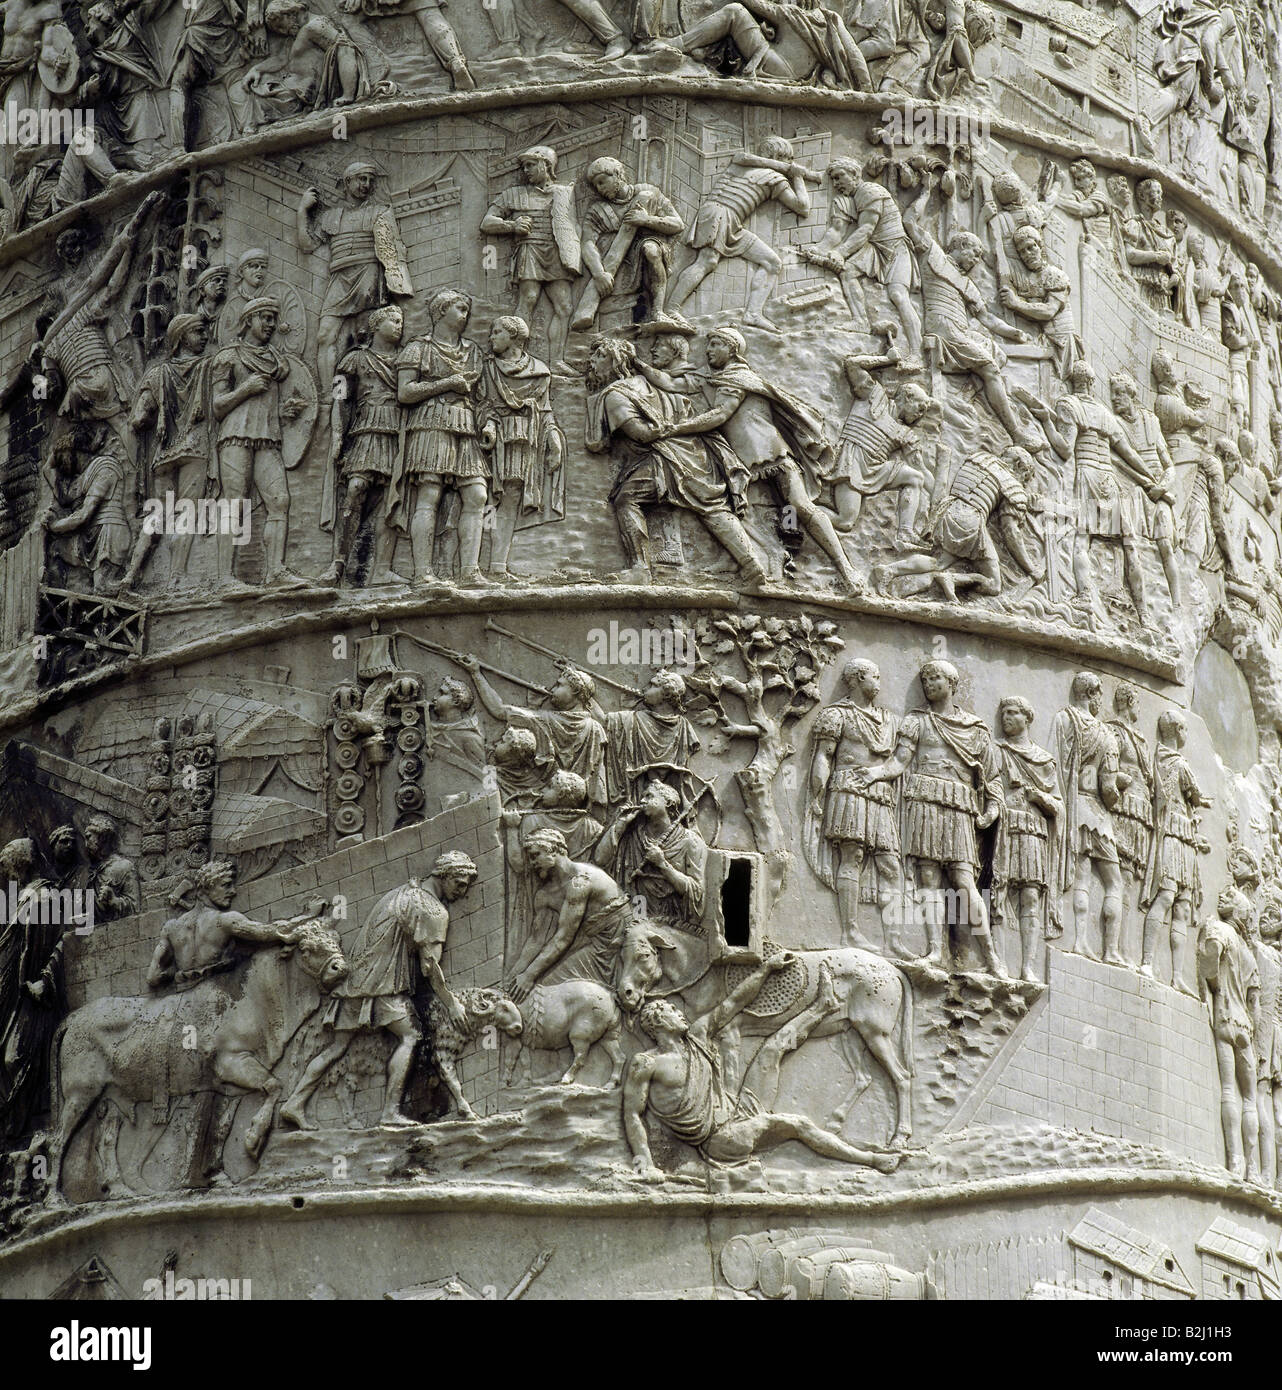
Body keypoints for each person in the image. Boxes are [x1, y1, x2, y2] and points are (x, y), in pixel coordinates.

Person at [622, 957, 898, 1178]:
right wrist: (644, 1161)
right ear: (657, 1023)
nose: (680, 1013)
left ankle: (823, 1007)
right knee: (795, 1124)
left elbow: (733, 1003)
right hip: (720, 1139)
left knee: (773, 1048)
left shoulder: (696, 1037)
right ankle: (871, 1159)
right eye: (673, 1011)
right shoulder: (646, 1063)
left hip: (735, 1110)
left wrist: (766, 970)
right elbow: (633, 1113)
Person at [280, 852, 478, 1129]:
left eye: (466, 885)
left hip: (356, 980)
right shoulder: (432, 910)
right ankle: (389, 1112)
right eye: (459, 883)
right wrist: (451, 1003)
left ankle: (294, 1103)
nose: (462, 891)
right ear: (443, 876)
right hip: (382, 984)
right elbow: (430, 967)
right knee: (411, 1036)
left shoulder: (407, 890)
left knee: (337, 1047)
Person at [659, 327, 865, 592]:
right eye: (708, 345)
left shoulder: (739, 378)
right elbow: (671, 383)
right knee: (748, 512)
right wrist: (639, 366)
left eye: (715, 345)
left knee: (798, 507)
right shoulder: (716, 379)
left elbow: (720, 415)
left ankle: (846, 570)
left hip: (771, 455)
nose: (708, 350)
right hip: (744, 463)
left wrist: (677, 428)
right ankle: (777, 564)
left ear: (731, 349)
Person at [852, 659, 1006, 976]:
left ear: (952, 684)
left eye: (937, 678)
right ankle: (936, 951)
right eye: (925, 679)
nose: (930, 684)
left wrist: (991, 811)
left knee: (964, 880)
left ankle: (992, 957)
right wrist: (874, 774)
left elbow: (992, 778)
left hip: (959, 804)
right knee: (928, 879)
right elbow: (899, 763)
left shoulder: (976, 730)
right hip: (924, 800)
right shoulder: (917, 721)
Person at [583, 334, 767, 586]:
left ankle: (639, 569)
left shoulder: (618, 393)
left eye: (600, 356)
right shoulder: (656, 383)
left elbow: (641, 434)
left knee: (626, 498)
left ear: (616, 363)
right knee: (714, 509)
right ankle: (751, 565)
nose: (592, 362)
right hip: (698, 456)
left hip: (666, 460)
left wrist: (656, 431)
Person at [805, 659, 904, 954]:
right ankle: (850, 931)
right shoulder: (836, 715)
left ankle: (894, 940)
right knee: (852, 856)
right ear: (859, 678)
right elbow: (824, 756)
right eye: (875, 676)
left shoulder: (889, 719)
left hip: (880, 793)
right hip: (848, 787)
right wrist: (816, 795)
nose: (879, 683)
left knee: (891, 866)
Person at [391, 289, 487, 586]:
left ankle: (469, 571)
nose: (465, 315)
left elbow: (482, 396)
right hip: (430, 422)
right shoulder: (418, 348)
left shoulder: (472, 351)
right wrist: (446, 384)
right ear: (441, 310)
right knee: (429, 494)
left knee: (477, 494)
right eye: (459, 308)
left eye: (466, 310)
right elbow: (405, 392)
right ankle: (423, 573)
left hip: (465, 423)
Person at [668, 139, 815, 331]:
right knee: (707, 261)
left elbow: (802, 210)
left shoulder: (764, 175)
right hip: (719, 213)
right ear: (780, 158)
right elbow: (803, 207)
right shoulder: (748, 165)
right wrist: (797, 176)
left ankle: (753, 314)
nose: (789, 163)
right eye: (788, 159)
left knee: (772, 262)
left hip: (732, 223)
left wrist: (796, 175)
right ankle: (671, 310)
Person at [321, 303, 405, 587]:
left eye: (401, 320)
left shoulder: (407, 358)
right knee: (355, 489)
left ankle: (382, 568)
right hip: (366, 428)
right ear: (375, 326)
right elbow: (340, 399)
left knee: (390, 498)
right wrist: (336, 436)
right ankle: (337, 564)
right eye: (392, 320)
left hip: (397, 429)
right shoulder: (354, 359)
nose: (398, 325)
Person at [477, 315, 565, 579]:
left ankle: (496, 566)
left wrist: (555, 441)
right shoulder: (488, 368)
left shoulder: (539, 371)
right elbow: (481, 403)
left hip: (524, 438)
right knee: (484, 499)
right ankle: (473, 564)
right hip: (490, 439)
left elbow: (546, 411)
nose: (490, 337)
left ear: (514, 337)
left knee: (510, 499)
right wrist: (489, 425)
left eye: (496, 332)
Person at [479, 148, 581, 373]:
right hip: (530, 249)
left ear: (546, 165)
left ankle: (557, 362)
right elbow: (487, 222)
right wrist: (511, 226)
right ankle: (516, 356)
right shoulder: (514, 194)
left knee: (564, 306)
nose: (526, 171)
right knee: (529, 299)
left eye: (531, 165)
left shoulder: (564, 193)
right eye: (524, 166)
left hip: (557, 251)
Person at [146, 859, 309, 991]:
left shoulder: (171, 927)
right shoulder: (225, 921)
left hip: (183, 1000)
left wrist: (179, 972)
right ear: (206, 889)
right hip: (215, 997)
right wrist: (309, 916)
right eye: (226, 885)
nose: (233, 891)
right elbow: (269, 932)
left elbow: (152, 977)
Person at [506, 829, 630, 999]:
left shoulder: (580, 881)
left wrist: (529, 976)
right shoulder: (545, 895)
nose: (533, 862)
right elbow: (536, 940)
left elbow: (563, 938)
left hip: (617, 939)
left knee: (549, 984)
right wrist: (511, 978)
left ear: (555, 850)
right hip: (591, 939)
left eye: (536, 855)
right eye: (530, 858)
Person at [992, 696, 1061, 984]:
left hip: (1033, 832)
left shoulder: (1044, 761)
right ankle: (998, 964)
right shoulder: (997, 752)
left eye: (1012, 713)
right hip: (1004, 829)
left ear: (1027, 717)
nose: (1006, 718)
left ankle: (1027, 967)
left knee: (1030, 897)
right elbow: (987, 785)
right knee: (997, 894)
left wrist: (1038, 796)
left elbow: (1057, 806)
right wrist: (1003, 799)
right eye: (1003, 713)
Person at [1198, 883, 1261, 1183]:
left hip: (1223, 1017)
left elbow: (1209, 962)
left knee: (1227, 1091)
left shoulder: (1219, 931)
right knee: (1249, 1097)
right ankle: (1254, 1168)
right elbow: (1255, 1004)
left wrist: (1215, 988)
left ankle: (1234, 1161)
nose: (1223, 896)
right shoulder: (1249, 954)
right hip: (1245, 1026)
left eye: (1230, 897)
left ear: (1236, 911)